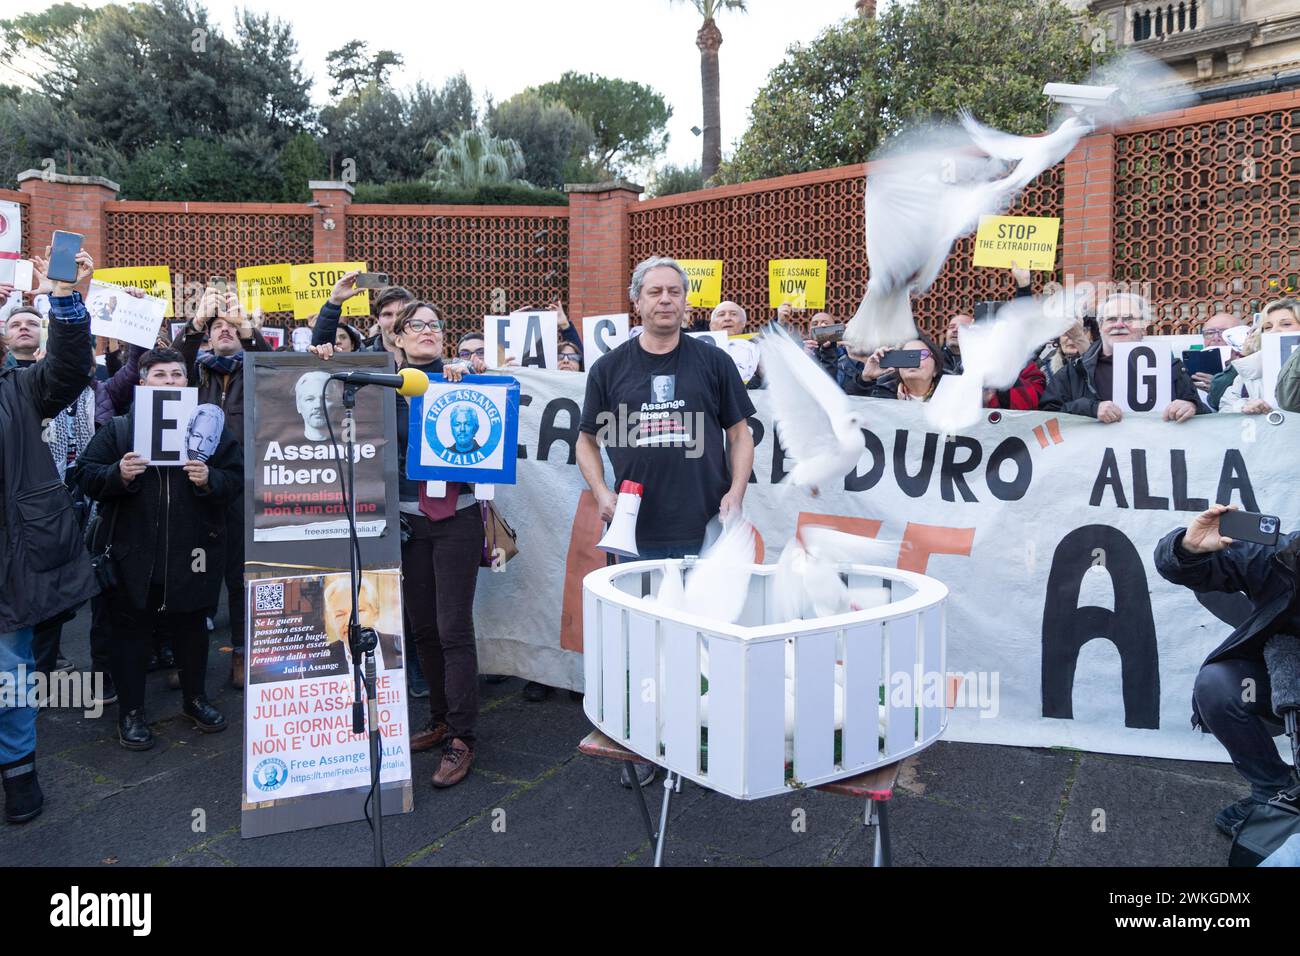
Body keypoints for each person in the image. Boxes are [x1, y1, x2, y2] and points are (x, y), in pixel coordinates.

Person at [577, 256, 756, 787]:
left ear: (685, 300)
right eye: (654, 292)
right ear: (637, 301)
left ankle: (709, 733)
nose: (665, 300)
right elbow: (586, 439)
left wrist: (737, 492)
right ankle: (650, 740)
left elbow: (740, 432)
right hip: (635, 530)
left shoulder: (712, 362)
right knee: (644, 637)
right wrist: (601, 490)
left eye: (674, 291)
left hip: (702, 523)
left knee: (709, 632)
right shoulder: (609, 369)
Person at [312, 288, 483, 789]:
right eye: (417, 325)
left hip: (458, 519)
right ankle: (438, 718)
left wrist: (465, 378)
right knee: (422, 628)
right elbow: (321, 361)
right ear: (397, 337)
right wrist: (327, 327)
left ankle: (463, 737)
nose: (428, 330)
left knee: (454, 629)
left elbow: (497, 414)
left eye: (435, 324)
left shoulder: (464, 379)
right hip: (408, 523)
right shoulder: (385, 384)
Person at [71, 347, 243, 751]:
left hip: (193, 551)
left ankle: (195, 698)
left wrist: (209, 480)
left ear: (188, 383)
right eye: (160, 375)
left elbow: (235, 480)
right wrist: (118, 474)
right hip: (134, 553)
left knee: (191, 632)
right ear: (143, 383)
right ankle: (131, 712)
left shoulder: (214, 432)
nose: (169, 382)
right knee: (129, 635)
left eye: (177, 375)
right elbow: (86, 475)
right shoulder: (118, 429)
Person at [0, 245, 97, 825]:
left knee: (10, 673)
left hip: (12, 560)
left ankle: (19, 773)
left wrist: (63, 300)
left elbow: (66, 371)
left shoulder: (17, 389)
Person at [1154, 505, 1299, 837]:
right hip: (1288, 684)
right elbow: (1180, 566)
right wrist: (1187, 549)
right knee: (1218, 685)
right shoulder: (1283, 560)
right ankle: (1274, 794)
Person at [175, 286, 274, 688]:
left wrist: (248, 329)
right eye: (218, 327)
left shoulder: (256, 370)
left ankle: (241, 654)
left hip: (240, 485)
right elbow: (168, 367)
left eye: (231, 326)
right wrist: (196, 322)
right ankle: (189, 659)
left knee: (239, 574)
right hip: (192, 485)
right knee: (193, 574)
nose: (225, 331)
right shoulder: (192, 372)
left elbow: (274, 368)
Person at [1040, 293, 1205, 424]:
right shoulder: (1075, 371)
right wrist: (1090, 409)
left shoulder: (1171, 367)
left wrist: (1191, 407)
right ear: (1101, 326)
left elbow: (1207, 417)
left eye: (1128, 319)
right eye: (1111, 319)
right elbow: (1044, 416)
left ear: (1144, 327)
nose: (1119, 325)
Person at [709, 300, 763, 388]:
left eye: (733, 314)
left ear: (743, 323)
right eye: (721, 314)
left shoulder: (757, 347)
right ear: (711, 325)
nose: (727, 318)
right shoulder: (698, 347)